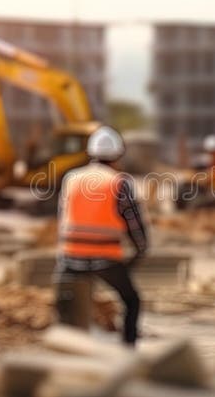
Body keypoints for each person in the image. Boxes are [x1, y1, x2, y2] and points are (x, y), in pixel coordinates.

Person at [55, 126, 149, 346]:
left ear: (90, 154)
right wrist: (140, 251)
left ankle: (64, 347)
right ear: (117, 156)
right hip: (105, 257)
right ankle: (127, 351)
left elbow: (63, 217)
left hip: (70, 258)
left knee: (66, 303)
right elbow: (134, 223)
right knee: (132, 301)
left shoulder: (71, 178)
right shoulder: (119, 182)